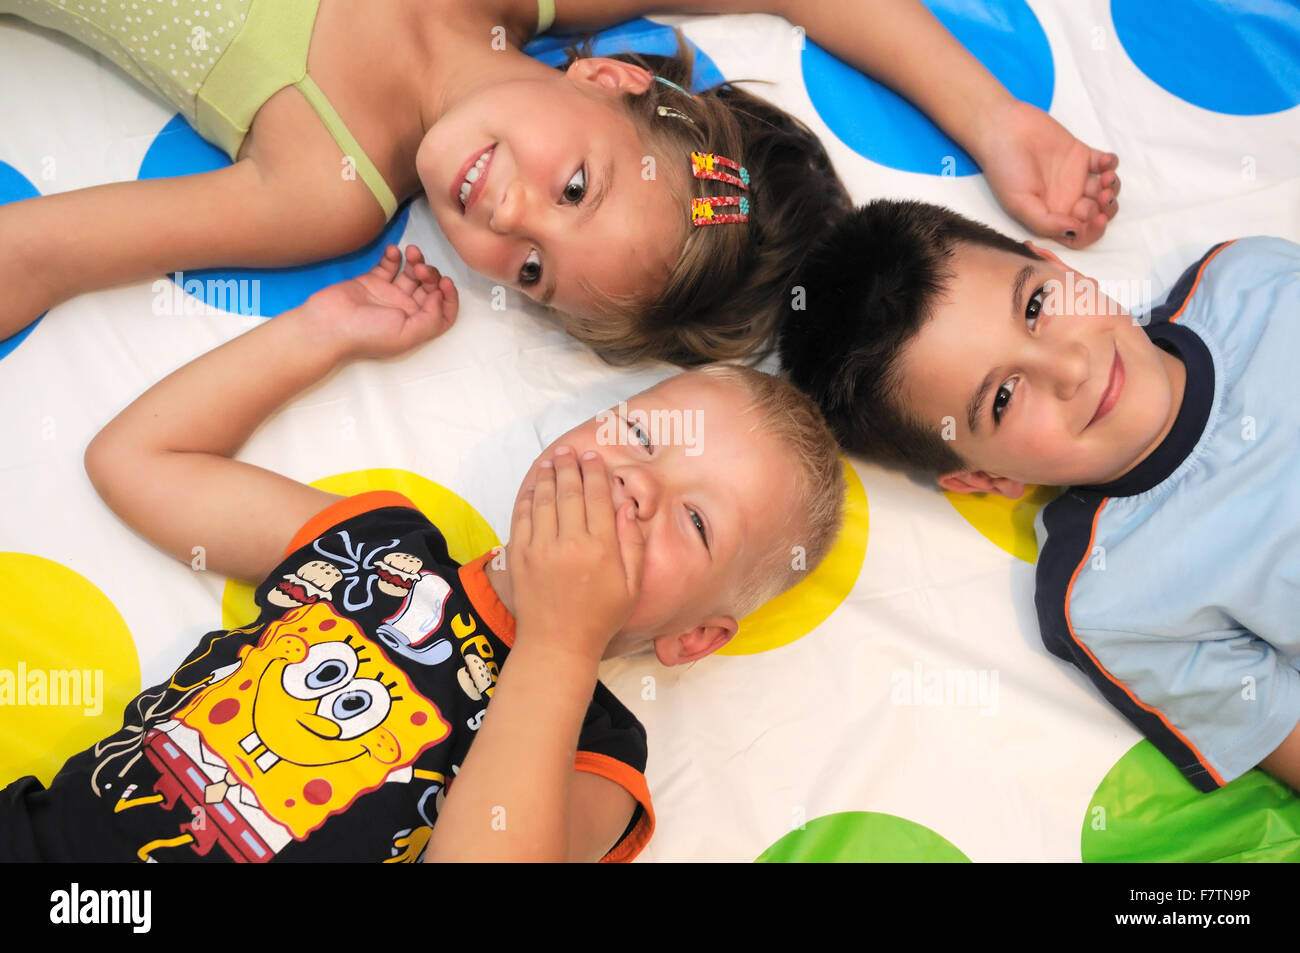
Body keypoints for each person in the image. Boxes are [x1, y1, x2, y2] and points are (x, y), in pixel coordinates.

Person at [0, 244, 845, 861]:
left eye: (696, 521)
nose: (634, 484)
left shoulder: (597, 751)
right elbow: (138, 462)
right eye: (637, 434)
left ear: (694, 638)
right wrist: (321, 332)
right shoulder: (381, 547)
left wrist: (558, 637)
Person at [0, 0, 1119, 365]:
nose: (506, 216)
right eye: (575, 186)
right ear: (609, 79)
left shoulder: (326, 181)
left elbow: (30, 255)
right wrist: (995, 117)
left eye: (532, 271)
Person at [780, 198, 1300, 793]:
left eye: (1036, 306)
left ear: (1059, 265)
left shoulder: (1250, 277)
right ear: (985, 479)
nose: (1070, 367)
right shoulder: (1112, 601)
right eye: (1002, 398)